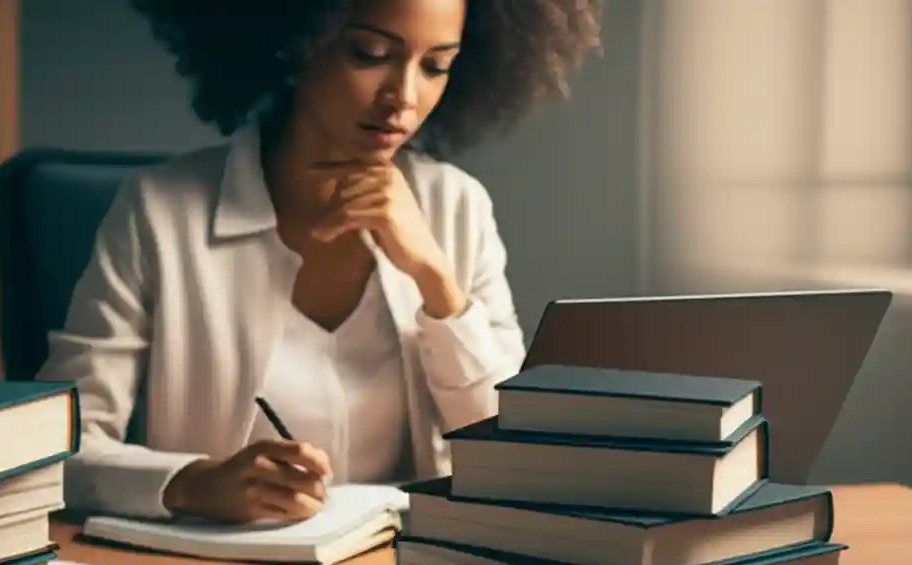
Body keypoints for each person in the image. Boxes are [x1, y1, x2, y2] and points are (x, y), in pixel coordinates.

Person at [36, 0, 603, 524]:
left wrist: (435, 280)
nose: (403, 97)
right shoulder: (158, 212)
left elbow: (517, 457)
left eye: (436, 66)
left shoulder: (458, 208)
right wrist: (194, 483)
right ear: (294, 43)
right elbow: (56, 452)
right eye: (370, 54)